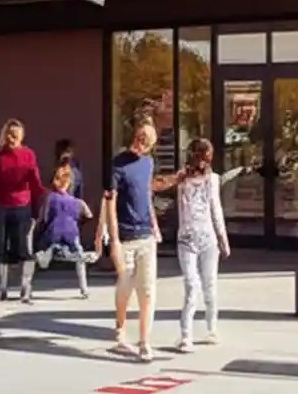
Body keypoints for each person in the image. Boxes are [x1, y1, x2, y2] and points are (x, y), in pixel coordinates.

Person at [98, 121, 170, 363]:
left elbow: (147, 195)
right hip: (125, 236)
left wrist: (154, 225)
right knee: (125, 285)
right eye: (141, 139)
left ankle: (145, 342)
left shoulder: (148, 163)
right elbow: (110, 203)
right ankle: (120, 329)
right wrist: (114, 240)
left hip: (146, 235)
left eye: (147, 143)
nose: (142, 145)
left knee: (147, 290)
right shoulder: (118, 164)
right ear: (135, 136)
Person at [174, 138, 230, 353]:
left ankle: (212, 329)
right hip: (186, 239)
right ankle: (185, 335)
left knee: (210, 285)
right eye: (203, 155)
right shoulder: (182, 179)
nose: (205, 161)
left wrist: (223, 239)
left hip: (208, 238)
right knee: (191, 286)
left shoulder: (213, 179)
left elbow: (216, 209)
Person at [0, 118, 47, 304]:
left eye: (14, 135)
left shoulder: (28, 155)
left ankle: (25, 287)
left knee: (23, 247)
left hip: (22, 205)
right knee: (1, 247)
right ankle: (3, 288)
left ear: (21, 137)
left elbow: (35, 181)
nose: (10, 138)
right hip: (2, 205)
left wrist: (40, 204)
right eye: (8, 134)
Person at [35, 163, 99, 298]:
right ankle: (84, 288)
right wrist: (78, 222)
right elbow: (89, 215)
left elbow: (44, 218)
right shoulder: (77, 202)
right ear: (70, 183)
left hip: (53, 233)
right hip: (72, 233)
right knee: (79, 257)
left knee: (43, 249)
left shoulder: (50, 198)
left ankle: (45, 255)